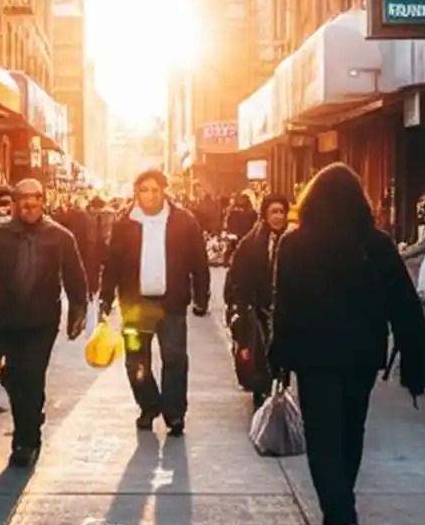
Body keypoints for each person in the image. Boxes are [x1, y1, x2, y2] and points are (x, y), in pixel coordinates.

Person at [269, 163, 425, 525]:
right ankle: (341, 517)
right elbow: (405, 306)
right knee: (350, 433)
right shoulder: (376, 244)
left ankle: (341, 520)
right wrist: (415, 364)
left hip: (314, 356)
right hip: (360, 357)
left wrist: (279, 357)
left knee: (323, 439)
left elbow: (283, 306)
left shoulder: (294, 244)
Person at [0, 178, 88, 466]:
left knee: (32, 374)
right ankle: (31, 412)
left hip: (42, 321)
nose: (30, 203)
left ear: (43, 201)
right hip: (4, 320)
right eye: (23, 198)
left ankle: (26, 441)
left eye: (35, 197)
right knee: (12, 377)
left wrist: (78, 310)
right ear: (16, 203)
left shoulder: (60, 237)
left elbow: (75, 278)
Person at [100, 169, 210, 436]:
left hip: (171, 304)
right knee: (136, 361)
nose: (149, 196)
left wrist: (201, 296)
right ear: (136, 192)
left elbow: (199, 261)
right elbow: (113, 262)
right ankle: (148, 405)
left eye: (154, 190)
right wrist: (105, 295)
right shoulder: (125, 223)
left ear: (164, 191)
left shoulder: (184, 221)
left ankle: (174, 413)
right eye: (143, 190)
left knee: (174, 358)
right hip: (135, 306)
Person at [224, 193, 291, 407]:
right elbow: (237, 276)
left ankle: (280, 390)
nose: (278, 217)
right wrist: (239, 306)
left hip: (285, 308)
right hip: (258, 307)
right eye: (274, 212)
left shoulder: (294, 241)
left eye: (282, 212)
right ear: (265, 214)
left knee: (283, 354)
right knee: (260, 353)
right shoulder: (251, 243)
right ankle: (261, 392)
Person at [85, 196, 114, 297]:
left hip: (94, 245)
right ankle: (100, 292)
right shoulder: (110, 214)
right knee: (104, 269)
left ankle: (94, 290)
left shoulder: (89, 215)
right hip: (104, 243)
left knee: (94, 268)